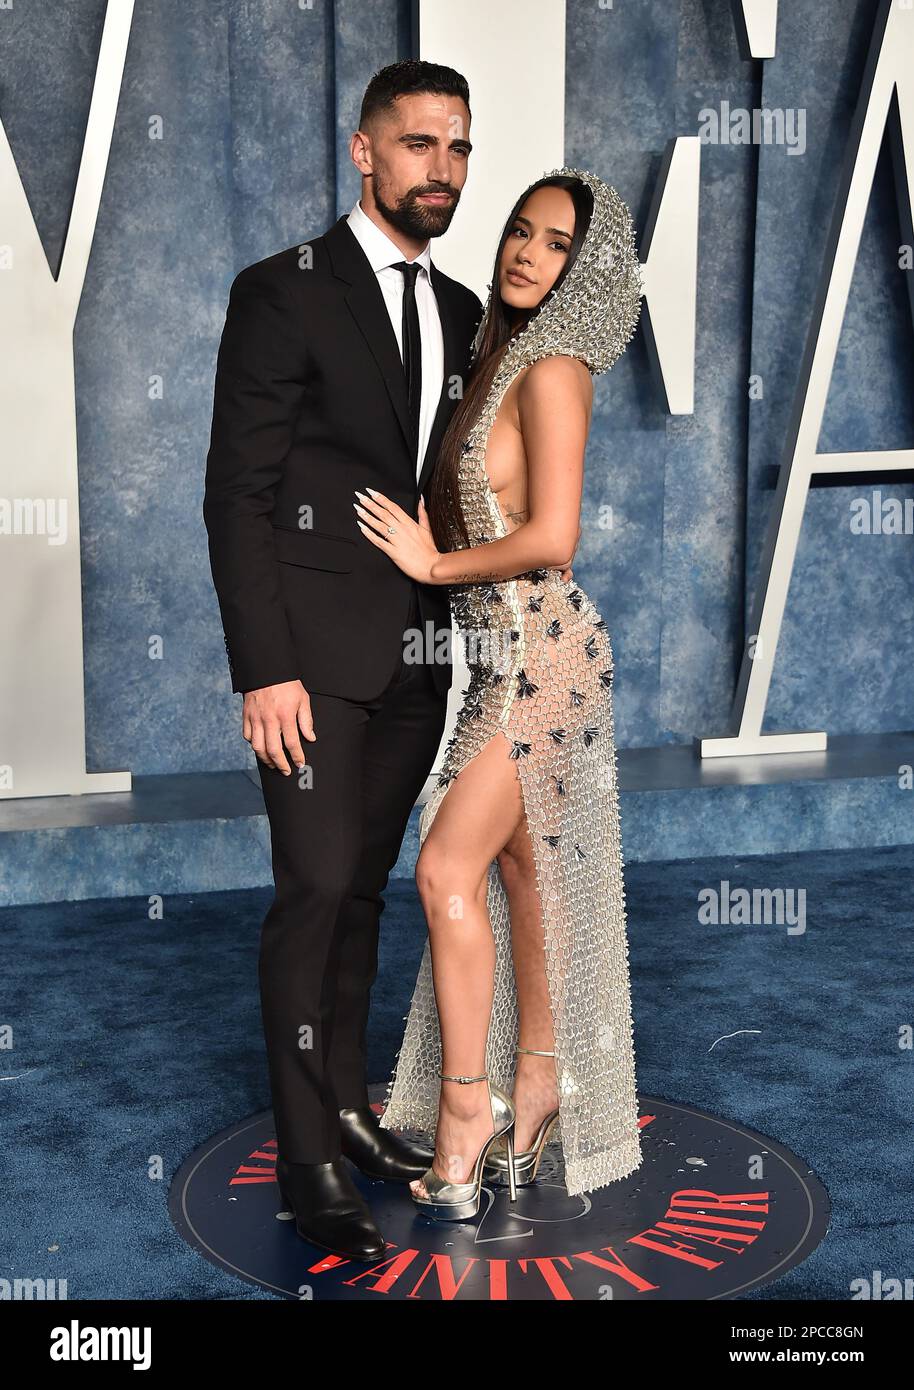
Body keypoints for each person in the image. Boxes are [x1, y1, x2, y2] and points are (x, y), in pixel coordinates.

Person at [202, 60, 484, 1262]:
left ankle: (355, 1109)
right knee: (313, 891)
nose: (442, 170)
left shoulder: (470, 312)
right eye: (418, 145)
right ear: (362, 152)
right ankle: (307, 1154)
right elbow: (237, 496)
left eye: (459, 149)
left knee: (365, 892)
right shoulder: (283, 293)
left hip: (417, 664)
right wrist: (262, 670)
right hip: (309, 665)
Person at [355, 167, 644, 1217]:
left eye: (557, 242)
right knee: (518, 876)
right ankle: (535, 1089)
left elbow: (551, 538)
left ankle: (467, 1115)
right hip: (497, 660)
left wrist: (431, 569)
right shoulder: (498, 360)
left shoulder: (553, 368)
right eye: (519, 230)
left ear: (587, 267)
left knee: (443, 870)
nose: (526, 252)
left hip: (540, 658)